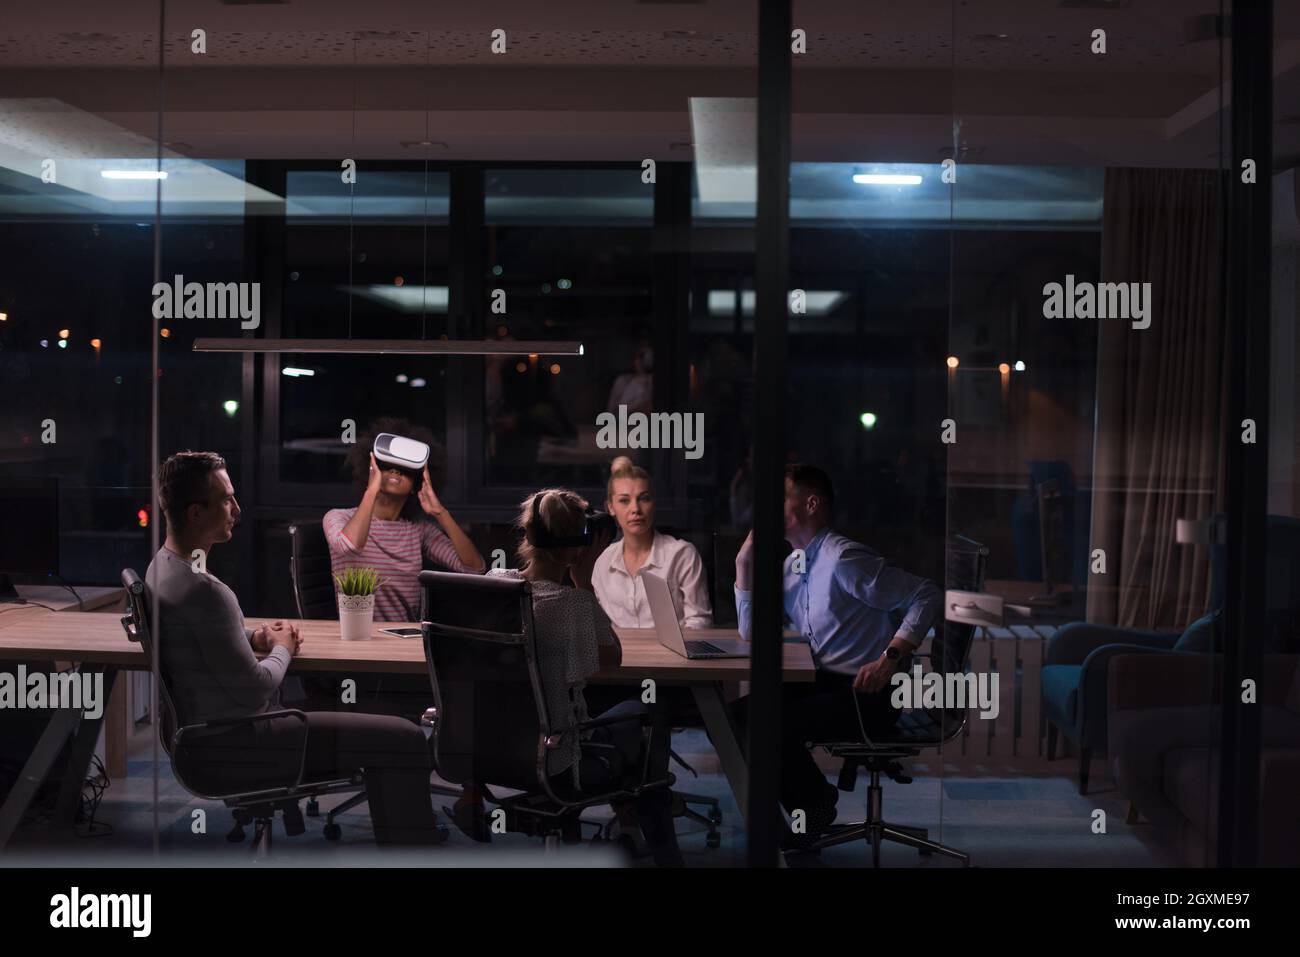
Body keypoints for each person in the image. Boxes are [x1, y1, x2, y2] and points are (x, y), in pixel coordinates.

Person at [145, 451, 444, 845]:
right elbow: (258, 686)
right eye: (226, 499)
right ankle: (412, 848)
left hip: (205, 738)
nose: (237, 507)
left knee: (384, 734)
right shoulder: (207, 593)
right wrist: (282, 646)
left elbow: (206, 641)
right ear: (196, 513)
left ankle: (403, 837)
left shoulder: (162, 568)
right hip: (243, 743)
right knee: (404, 738)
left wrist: (253, 637)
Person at [456, 488, 683, 866]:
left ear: (527, 536)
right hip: (558, 760)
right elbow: (612, 655)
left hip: (494, 750)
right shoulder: (573, 604)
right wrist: (584, 581)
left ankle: (588, 823)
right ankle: (653, 842)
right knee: (651, 710)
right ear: (577, 549)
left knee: (593, 708)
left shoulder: (495, 584)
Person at [733, 463, 941, 849]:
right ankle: (812, 800)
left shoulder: (844, 559)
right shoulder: (791, 567)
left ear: (811, 504)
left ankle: (813, 806)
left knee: (770, 723)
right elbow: (751, 631)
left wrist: (891, 658)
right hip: (827, 682)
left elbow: (926, 593)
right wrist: (743, 564)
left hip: (871, 693)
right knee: (739, 717)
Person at [324, 418, 485, 623]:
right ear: (371, 469)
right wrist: (371, 489)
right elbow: (350, 545)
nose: (395, 471)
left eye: (406, 469)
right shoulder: (338, 517)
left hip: (403, 638)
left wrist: (440, 513)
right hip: (357, 636)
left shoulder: (419, 531)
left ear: (415, 485)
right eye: (386, 465)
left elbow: (475, 568)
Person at [591, 456, 713, 629]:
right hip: (622, 655)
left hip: (673, 655)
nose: (635, 509)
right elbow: (601, 625)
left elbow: (700, 622)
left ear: (653, 503)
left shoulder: (681, 554)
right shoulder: (603, 561)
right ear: (610, 507)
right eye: (624, 500)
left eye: (644, 498)